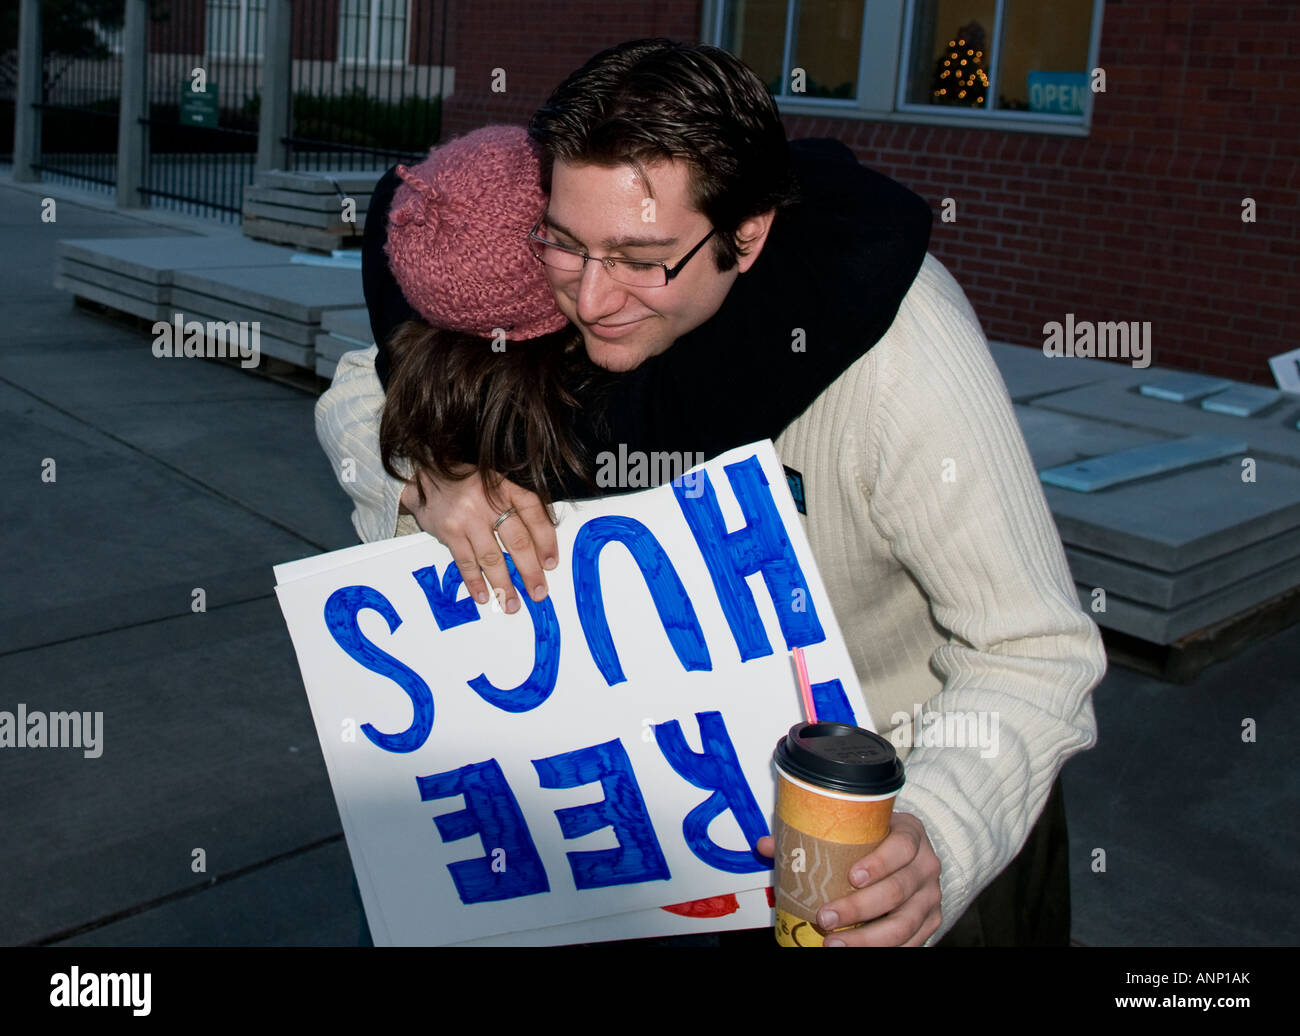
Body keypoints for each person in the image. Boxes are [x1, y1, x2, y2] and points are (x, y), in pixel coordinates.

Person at [316, 39, 1105, 947]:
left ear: (748, 232)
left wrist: (942, 833)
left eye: (642, 258)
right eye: (567, 244)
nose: (594, 297)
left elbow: (1034, 647)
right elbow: (361, 389)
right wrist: (433, 476)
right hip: (666, 836)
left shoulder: (901, 357)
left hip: (897, 814)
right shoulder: (555, 277)